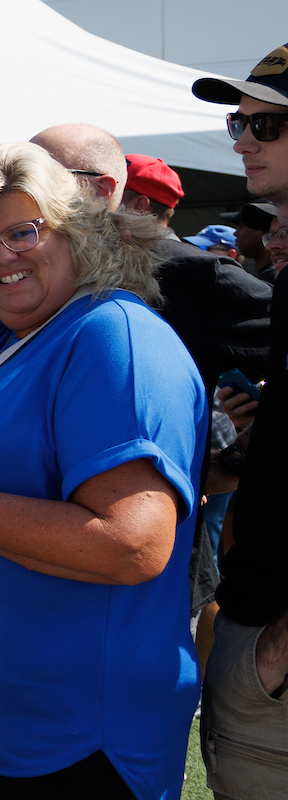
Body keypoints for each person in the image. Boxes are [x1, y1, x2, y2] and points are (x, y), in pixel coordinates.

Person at [0, 142, 207, 800]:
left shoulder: (112, 337)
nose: (1, 258)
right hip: (3, 713)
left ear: (74, 228)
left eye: (23, 232)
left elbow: (132, 543)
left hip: (81, 738)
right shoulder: (23, 331)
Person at [192, 42, 288, 799]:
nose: (241, 140)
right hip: (249, 626)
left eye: (267, 126)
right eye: (239, 120)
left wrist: (276, 653)